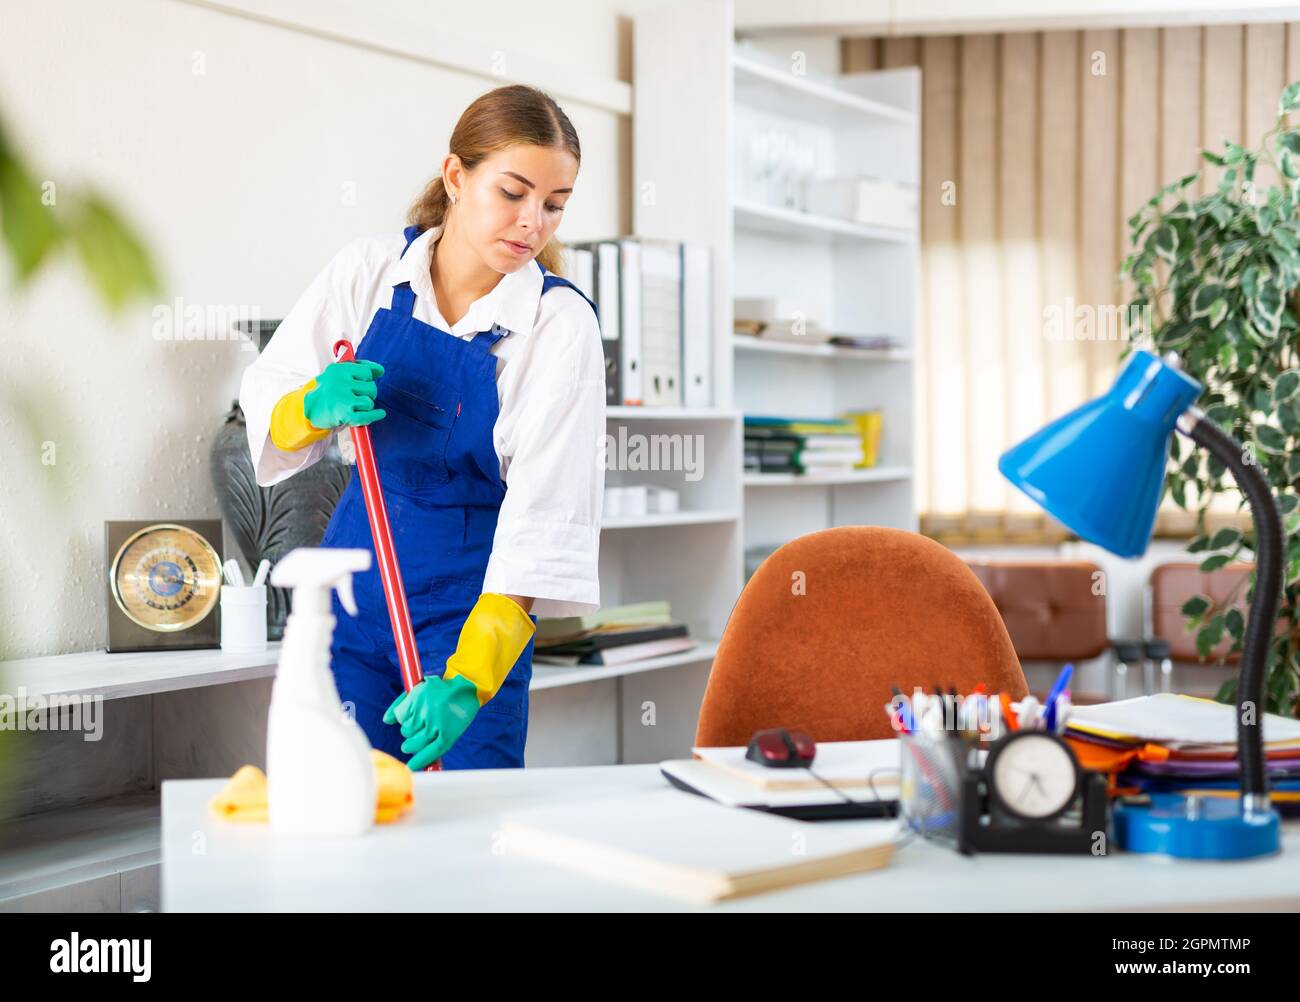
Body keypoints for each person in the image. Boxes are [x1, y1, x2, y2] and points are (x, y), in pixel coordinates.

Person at [238, 84, 604, 771]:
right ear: (456, 176)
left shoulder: (558, 328)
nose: (533, 223)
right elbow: (268, 393)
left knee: (465, 838)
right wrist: (310, 407)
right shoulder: (369, 272)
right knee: (340, 807)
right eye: (513, 193)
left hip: (470, 611)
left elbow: (544, 516)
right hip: (355, 587)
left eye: (554, 205)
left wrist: (467, 683)